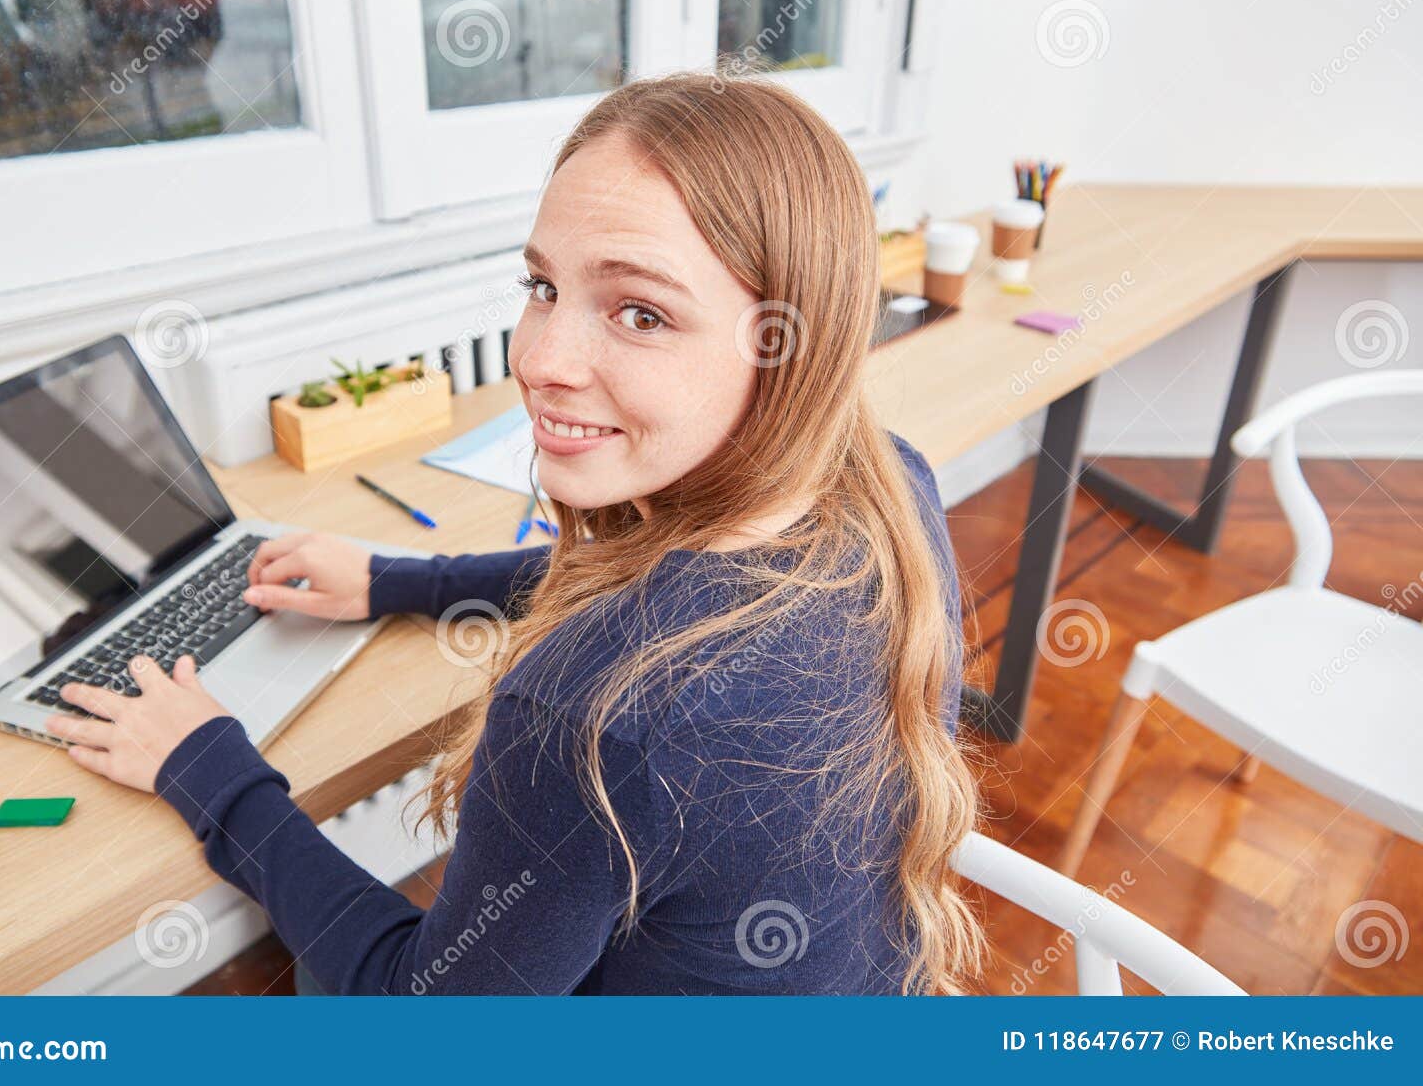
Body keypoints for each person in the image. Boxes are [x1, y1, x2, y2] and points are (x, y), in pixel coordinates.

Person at [49, 71, 983, 994]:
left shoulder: (597, 718)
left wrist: (213, 775)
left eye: (640, 312)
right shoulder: (889, 481)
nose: (536, 360)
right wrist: (397, 580)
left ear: (791, 342)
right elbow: (664, 575)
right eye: (541, 284)